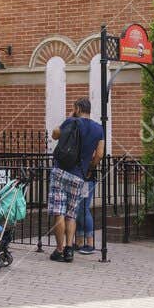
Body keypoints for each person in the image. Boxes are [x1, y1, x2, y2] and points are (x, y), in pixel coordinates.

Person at [49, 98, 104, 263]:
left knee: (58, 211)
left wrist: (69, 117)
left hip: (60, 171)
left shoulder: (71, 121)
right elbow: (99, 154)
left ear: (78, 108)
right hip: (79, 175)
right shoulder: (98, 129)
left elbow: (54, 134)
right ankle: (69, 250)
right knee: (71, 213)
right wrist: (89, 168)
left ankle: (59, 250)